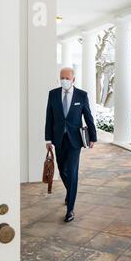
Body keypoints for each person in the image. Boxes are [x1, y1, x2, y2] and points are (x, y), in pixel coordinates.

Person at [45, 68, 97, 223]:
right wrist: (48, 139)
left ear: (73, 79)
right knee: (62, 170)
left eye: (67, 78)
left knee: (73, 172)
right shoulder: (53, 94)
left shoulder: (82, 95)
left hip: (75, 140)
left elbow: (88, 116)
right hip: (58, 139)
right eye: (62, 77)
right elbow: (49, 118)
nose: (64, 80)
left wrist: (93, 136)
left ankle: (70, 209)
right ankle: (70, 191)